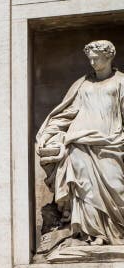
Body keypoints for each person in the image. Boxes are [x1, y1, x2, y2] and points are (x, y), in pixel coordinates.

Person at [36, 40, 124, 247]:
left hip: (111, 141)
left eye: (97, 58)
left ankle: (116, 232)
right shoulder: (82, 84)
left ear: (109, 56)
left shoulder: (121, 82)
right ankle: (91, 234)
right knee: (84, 187)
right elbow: (66, 113)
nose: (93, 62)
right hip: (79, 141)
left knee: (116, 185)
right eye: (90, 59)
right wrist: (49, 134)